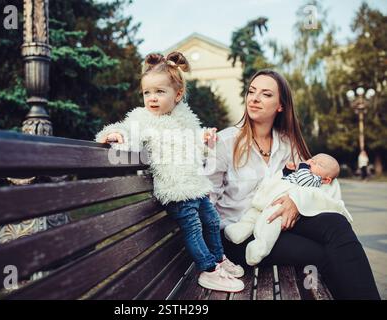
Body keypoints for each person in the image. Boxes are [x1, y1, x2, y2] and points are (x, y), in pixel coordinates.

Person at [205, 69, 380, 299]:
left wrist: (296, 202)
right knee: (320, 256)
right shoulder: (226, 142)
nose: (254, 98)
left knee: (336, 224)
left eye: (266, 94)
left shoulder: (288, 144)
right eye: (251, 91)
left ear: (281, 106)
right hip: (238, 236)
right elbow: (206, 201)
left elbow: (311, 184)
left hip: (279, 222)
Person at [96, 52, 244, 292]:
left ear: (177, 94)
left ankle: (218, 259)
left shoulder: (184, 118)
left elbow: (197, 144)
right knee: (194, 226)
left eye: (159, 92)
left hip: (195, 185)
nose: (152, 98)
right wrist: (116, 134)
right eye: (147, 93)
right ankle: (208, 270)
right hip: (174, 189)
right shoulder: (143, 119)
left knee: (212, 220)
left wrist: (205, 138)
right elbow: (128, 130)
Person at [224, 153, 353, 266]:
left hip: (279, 207)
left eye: (319, 164)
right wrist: (286, 171)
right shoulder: (304, 172)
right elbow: (283, 179)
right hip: (265, 202)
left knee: (269, 223)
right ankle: (239, 230)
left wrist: (303, 167)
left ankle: (260, 246)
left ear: (326, 179)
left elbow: (303, 180)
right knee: (252, 215)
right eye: (312, 159)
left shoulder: (315, 179)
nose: (312, 162)